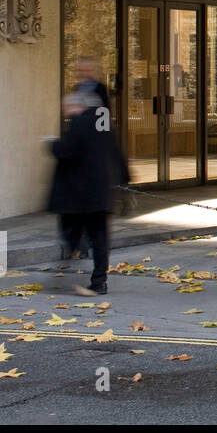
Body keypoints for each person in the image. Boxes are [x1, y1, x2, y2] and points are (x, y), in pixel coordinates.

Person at [47, 59, 128, 295]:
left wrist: (52, 145)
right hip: (100, 192)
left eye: (68, 107)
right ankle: (99, 280)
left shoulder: (80, 123)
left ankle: (76, 248)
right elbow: (115, 151)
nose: (66, 111)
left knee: (72, 225)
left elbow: (66, 150)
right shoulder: (103, 127)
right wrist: (123, 179)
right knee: (100, 237)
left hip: (81, 194)